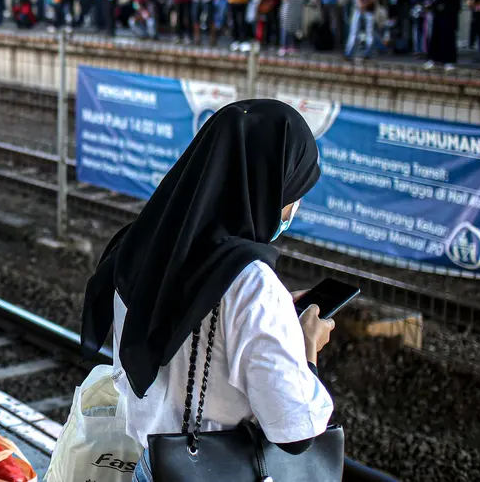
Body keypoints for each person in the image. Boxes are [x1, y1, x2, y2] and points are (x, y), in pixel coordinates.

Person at [80, 100, 335, 480]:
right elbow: (295, 432)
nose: (293, 207)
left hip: (153, 466)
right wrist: (306, 344)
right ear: (266, 186)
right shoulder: (253, 287)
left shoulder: (138, 243)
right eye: (293, 191)